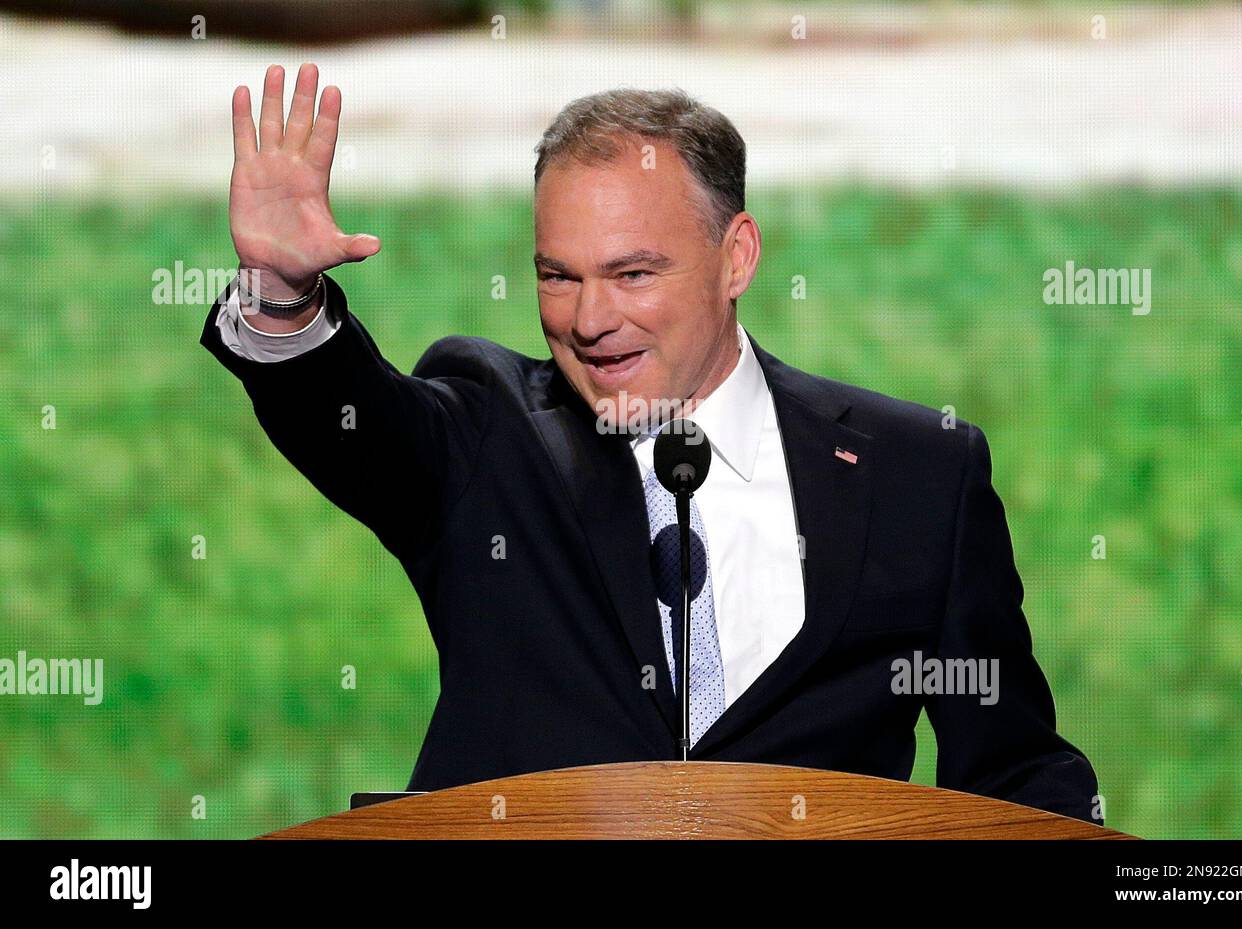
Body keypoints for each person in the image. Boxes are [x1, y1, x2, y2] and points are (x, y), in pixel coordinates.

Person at [202, 63, 1101, 823]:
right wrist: (286, 294)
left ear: (736, 256)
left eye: (633, 273)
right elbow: (355, 425)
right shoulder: (491, 434)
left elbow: (1016, 773)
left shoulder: (917, 476)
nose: (591, 320)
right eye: (559, 276)